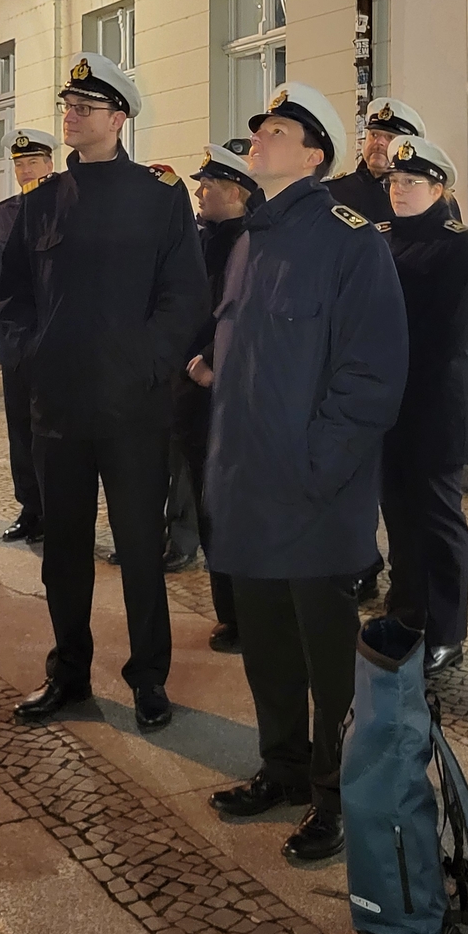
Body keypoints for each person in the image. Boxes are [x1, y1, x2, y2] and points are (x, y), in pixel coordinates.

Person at [207, 84, 408, 864]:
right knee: (266, 649)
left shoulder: (351, 240)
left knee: (329, 662)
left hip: (314, 494)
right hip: (250, 487)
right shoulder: (250, 239)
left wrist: (318, 469)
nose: (259, 135)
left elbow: (372, 374)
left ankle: (335, 795)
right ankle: (282, 769)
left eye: (278, 128)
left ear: (315, 154)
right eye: (258, 124)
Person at [1, 53, 208, 732]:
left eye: (85, 108)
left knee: (140, 550)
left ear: (118, 119)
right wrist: (31, 352)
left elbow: (185, 294)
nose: (71, 115)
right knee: (62, 554)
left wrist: (150, 359)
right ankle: (69, 673)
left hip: (133, 408)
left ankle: (149, 678)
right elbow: (12, 296)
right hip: (58, 405)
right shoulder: (41, 200)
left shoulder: (158, 194)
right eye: (68, 105)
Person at [380, 136, 468, 676]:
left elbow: (455, 329)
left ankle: (446, 629)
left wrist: (386, 364)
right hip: (389, 406)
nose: (399, 192)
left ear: (439, 189)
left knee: (439, 520)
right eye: (395, 183)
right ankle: (405, 614)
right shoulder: (378, 239)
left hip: (435, 403)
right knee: (398, 518)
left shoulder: (460, 244)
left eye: (412, 183)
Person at [178, 142, 259, 652]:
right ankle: (229, 610)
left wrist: (211, 361)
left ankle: (250, 612)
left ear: (235, 192)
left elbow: (241, 315)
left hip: (227, 388)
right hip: (190, 388)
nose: (200, 193)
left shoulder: (251, 243)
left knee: (235, 505)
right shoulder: (198, 239)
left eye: (208, 185)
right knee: (208, 507)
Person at [0, 128, 56, 544]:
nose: (25, 170)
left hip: (56, 336)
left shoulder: (64, 206)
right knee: (20, 428)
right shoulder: (5, 212)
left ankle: (58, 511)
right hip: (16, 339)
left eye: (32, 163)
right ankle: (30, 508)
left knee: (55, 428)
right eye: (19, 164)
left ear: (50, 164)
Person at [325, 96, 428, 224]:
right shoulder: (332, 191)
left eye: (389, 137)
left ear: (407, 148)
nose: (378, 142)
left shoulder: (422, 197)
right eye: (373, 135)